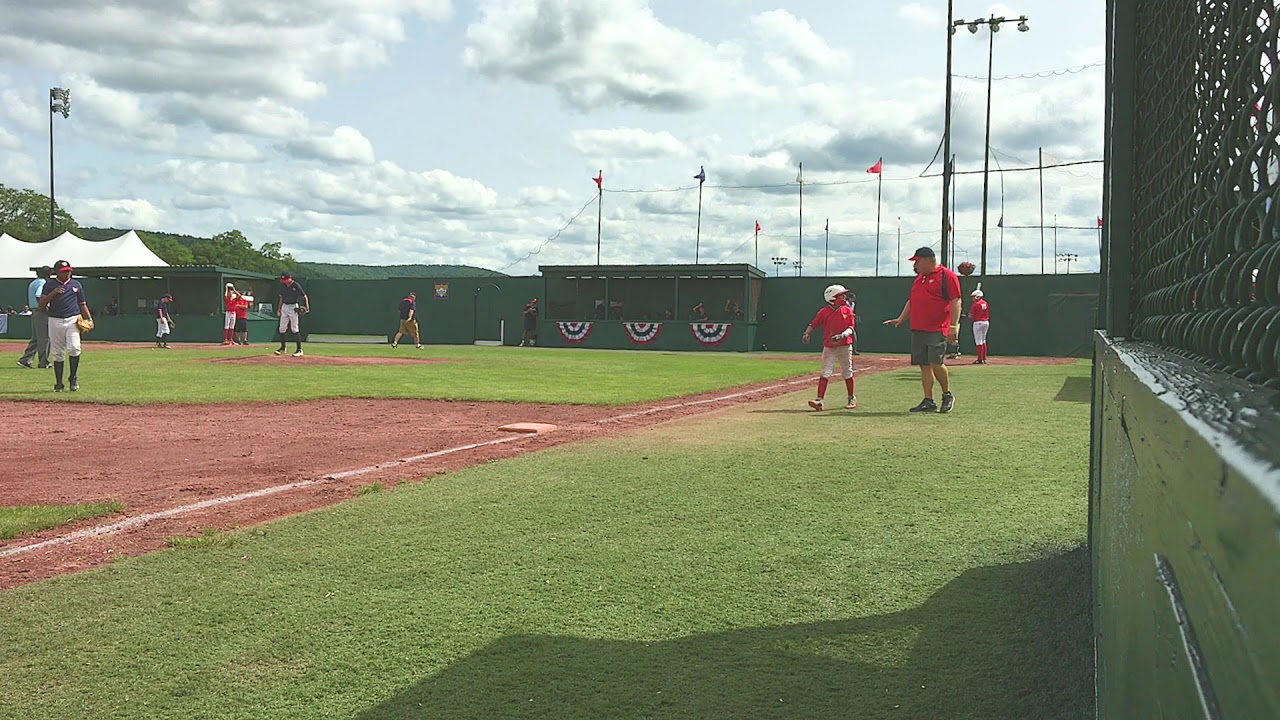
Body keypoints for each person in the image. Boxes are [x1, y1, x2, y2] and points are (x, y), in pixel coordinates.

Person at [883, 246, 961, 413]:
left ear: (927, 260)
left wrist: (954, 326)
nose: (915, 266)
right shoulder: (919, 279)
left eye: (917, 262)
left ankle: (947, 394)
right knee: (924, 364)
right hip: (919, 327)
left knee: (936, 362)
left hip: (937, 328)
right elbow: (912, 301)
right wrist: (901, 318)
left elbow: (956, 301)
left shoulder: (947, 276)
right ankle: (928, 400)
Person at [801, 284, 858, 410]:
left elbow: (851, 328)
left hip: (844, 345)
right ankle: (819, 401)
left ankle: (851, 398)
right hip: (829, 346)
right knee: (826, 372)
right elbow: (814, 324)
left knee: (847, 371)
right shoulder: (824, 312)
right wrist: (807, 333)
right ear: (832, 299)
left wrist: (842, 335)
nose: (844, 297)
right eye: (840, 296)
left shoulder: (847, 310)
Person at [38, 260, 92, 393]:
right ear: (56, 272)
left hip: (73, 319)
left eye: (68, 270)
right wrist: (54, 293)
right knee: (57, 353)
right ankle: (59, 383)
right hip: (55, 319)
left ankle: (73, 378)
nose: (67, 273)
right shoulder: (50, 285)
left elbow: (82, 303)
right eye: (64, 271)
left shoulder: (76, 284)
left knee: (74, 348)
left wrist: (89, 319)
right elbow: (41, 305)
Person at [17, 266, 52, 370]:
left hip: (34, 311)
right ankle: (43, 362)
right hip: (41, 311)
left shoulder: (33, 282)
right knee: (45, 338)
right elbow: (39, 295)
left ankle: (25, 360)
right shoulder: (43, 283)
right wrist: (45, 307)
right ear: (48, 274)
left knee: (36, 338)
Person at [274, 272, 309, 357]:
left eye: (285, 279)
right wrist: (279, 308)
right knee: (282, 328)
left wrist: (307, 307)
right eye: (283, 280)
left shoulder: (296, 285)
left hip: (293, 306)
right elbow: (282, 298)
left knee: (294, 328)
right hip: (285, 306)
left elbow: (304, 296)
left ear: (289, 278)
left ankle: (299, 350)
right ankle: (283, 348)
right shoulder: (284, 286)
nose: (284, 281)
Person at [969, 286, 991, 364]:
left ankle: (980, 359)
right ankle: (984, 358)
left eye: (973, 297)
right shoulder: (985, 303)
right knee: (983, 340)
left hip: (978, 322)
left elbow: (971, 315)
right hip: (986, 322)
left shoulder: (975, 304)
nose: (973, 299)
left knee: (978, 341)